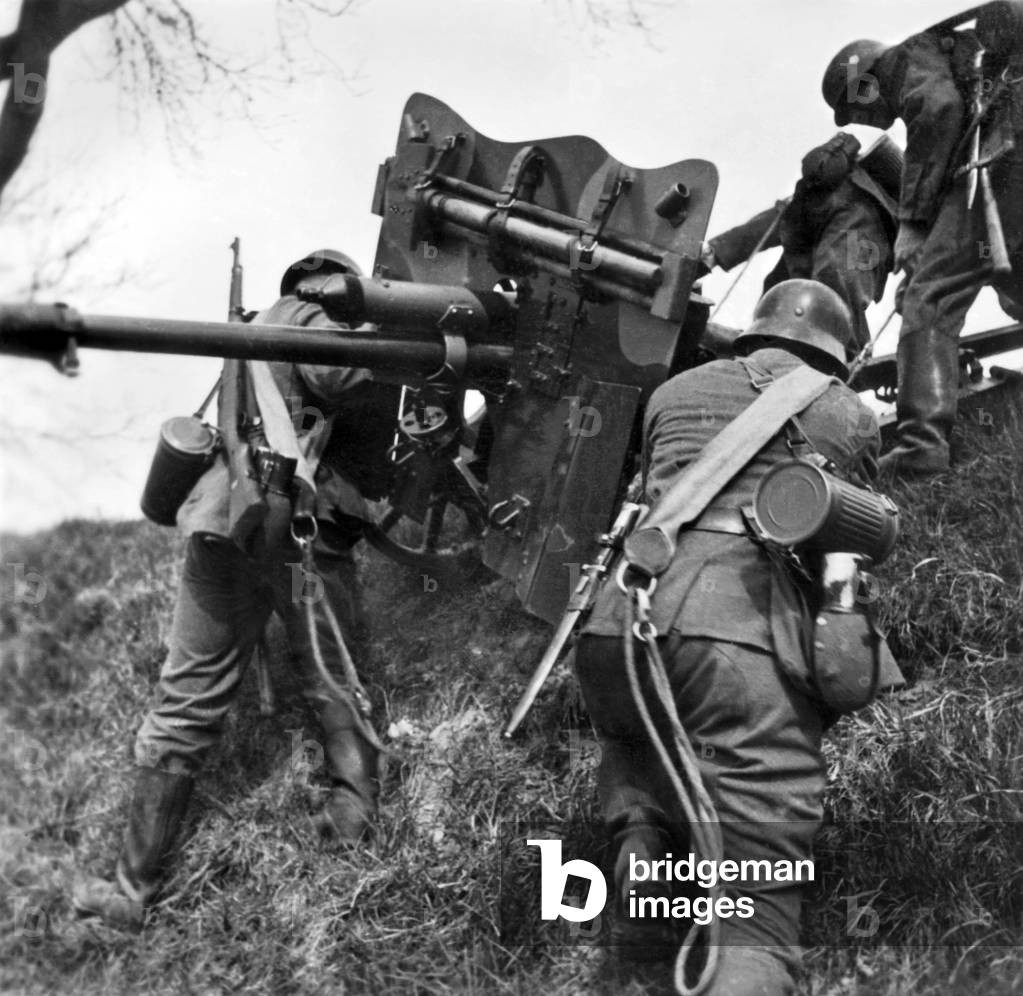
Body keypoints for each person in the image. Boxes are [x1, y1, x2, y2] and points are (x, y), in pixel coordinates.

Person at [575, 279, 899, 995]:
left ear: (755, 332)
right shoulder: (846, 409)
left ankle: (645, 850)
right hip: (730, 634)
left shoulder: (673, 392)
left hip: (619, 616)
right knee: (755, 906)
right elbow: (847, 539)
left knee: (638, 743)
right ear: (833, 353)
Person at [72, 249, 395, 931]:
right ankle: (352, 824)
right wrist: (403, 340)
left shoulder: (246, 338)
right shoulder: (306, 316)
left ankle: (132, 890)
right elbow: (344, 372)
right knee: (331, 677)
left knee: (185, 698)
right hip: (299, 536)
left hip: (222, 528)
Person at [821, 15, 1023, 475]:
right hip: (1012, 163)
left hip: (1004, 161)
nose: (865, 119)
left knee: (929, 300)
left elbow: (937, 111)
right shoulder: (951, 55)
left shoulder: (904, 58)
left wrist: (911, 226)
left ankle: (921, 445)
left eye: (855, 108)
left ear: (863, 83)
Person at [702, 132, 899, 352]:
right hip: (791, 325)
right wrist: (716, 250)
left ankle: (834, 353)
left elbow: (839, 283)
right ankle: (770, 343)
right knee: (785, 290)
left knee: (830, 295)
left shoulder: (863, 212)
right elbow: (778, 221)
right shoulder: (816, 190)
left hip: (830, 336)